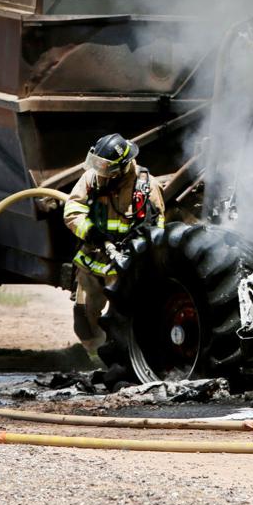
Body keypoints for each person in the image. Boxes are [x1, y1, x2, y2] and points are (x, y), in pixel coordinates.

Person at [62, 133, 165, 361]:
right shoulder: (92, 178)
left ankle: (122, 361)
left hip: (126, 267)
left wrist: (139, 251)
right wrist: (89, 231)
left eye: (106, 168)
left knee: (124, 319)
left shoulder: (146, 186)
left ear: (123, 165)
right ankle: (94, 359)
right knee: (84, 317)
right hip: (93, 259)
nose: (101, 172)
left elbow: (158, 229)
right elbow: (72, 210)